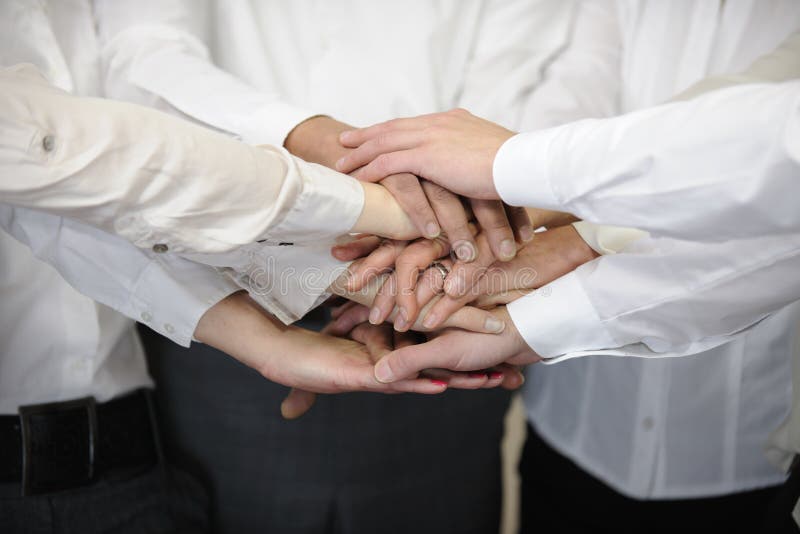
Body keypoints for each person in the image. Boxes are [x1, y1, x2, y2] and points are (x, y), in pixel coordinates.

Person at [0, 3, 514, 532]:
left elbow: (61, 204)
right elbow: (57, 152)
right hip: (204, 369)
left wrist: (260, 340)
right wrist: (376, 200)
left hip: (131, 447)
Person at [337, 6, 800, 533]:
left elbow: (768, 149)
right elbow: (580, 87)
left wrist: (512, 171)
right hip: (573, 423)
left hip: (746, 442)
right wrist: (494, 220)